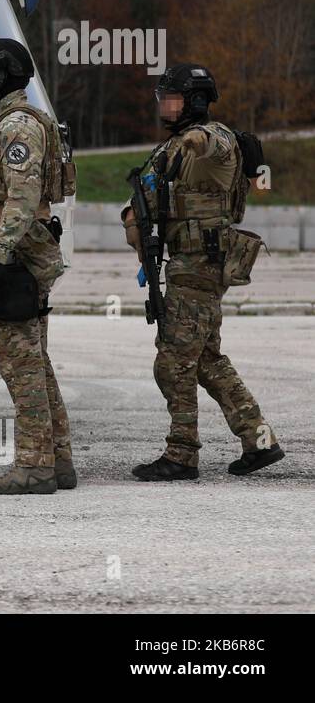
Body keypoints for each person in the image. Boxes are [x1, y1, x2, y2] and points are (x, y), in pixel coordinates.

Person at [123, 63, 284, 481]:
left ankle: (181, 454)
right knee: (207, 360)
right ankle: (260, 440)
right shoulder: (174, 145)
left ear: (194, 101)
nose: (165, 108)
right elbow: (145, 188)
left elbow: (210, 146)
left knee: (173, 362)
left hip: (199, 265)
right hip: (187, 263)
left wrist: (191, 141)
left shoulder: (211, 140)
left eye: (172, 100)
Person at [0, 39, 74, 495]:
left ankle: (34, 466)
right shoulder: (18, 122)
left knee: (20, 363)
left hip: (19, 256)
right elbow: (15, 191)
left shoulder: (17, 126)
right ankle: (58, 459)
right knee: (36, 362)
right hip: (25, 251)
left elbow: (24, 198)